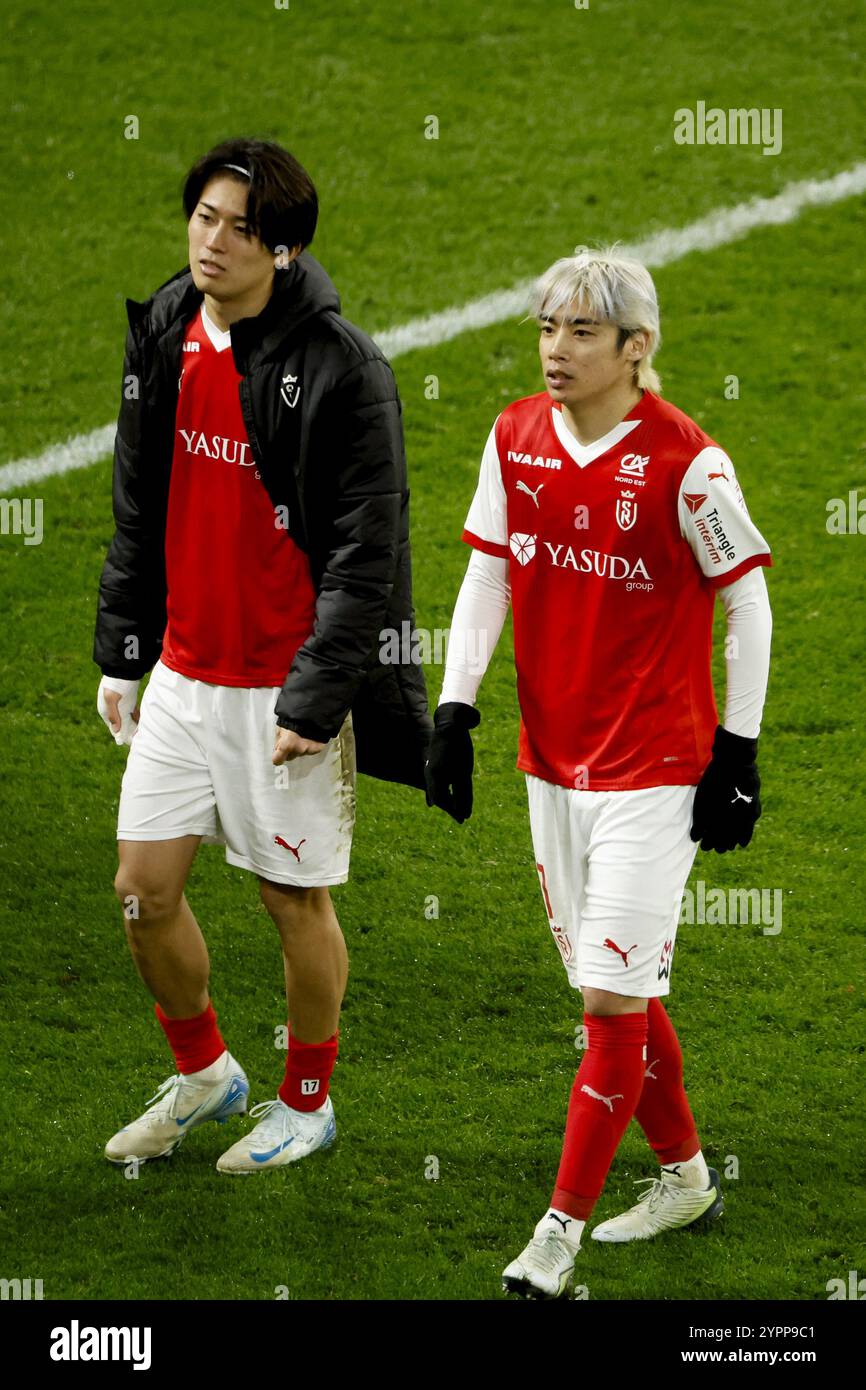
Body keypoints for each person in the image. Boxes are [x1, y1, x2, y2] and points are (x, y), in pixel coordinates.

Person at [425, 246, 772, 1297]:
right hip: (550, 763)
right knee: (610, 985)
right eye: (545, 327)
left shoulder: (686, 462)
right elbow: (488, 569)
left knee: (608, 1007)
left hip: (656, 770)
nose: (554, 349)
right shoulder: (514, 435)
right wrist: (453, 706)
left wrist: (737, 754)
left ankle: (555, 1237)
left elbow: (745, 602)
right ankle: (683, 1178)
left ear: (636, 346)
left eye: (580, 331)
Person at [94, 136, 430, 1175]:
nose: (213, 240)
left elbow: (366, 552)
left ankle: (307, 1099)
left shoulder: (342, 368)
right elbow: (138, 502)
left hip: (285, 690)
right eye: (203, 215)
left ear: (282, 248)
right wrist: (123, 649)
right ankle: (207, 1073)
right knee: (142, 892)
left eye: (240, 227)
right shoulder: (163, 328)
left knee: (291, 901)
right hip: (187, 676)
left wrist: (316, 698)